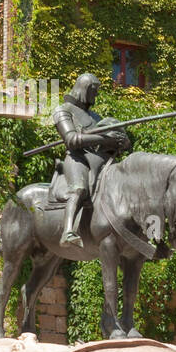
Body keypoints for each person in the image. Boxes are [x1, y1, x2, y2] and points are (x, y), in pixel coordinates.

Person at [52, 73, 130, 246]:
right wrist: (105, 139)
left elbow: (109, 139)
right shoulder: (62, 111)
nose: (96, 95)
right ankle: (68, 232)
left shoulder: (96, 118)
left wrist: (120, 140)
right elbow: (72, 140)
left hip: (101, 161)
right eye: (94, 91)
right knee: (79, 189)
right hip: (78, 158)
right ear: (84, 89)